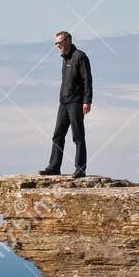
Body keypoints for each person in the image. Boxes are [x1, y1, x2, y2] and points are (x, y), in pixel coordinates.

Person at [39, 31, 92, 178]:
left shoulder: (79, 56)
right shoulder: (65, 58)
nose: (58, 45)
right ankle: (54, 167)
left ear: (68, 40)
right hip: (64, 103)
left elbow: (87, 80)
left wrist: (87, 101)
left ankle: (80, 169)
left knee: (78, 136)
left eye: (60, 42)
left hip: (76, 102)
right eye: (56, 43)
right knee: (57, 135)